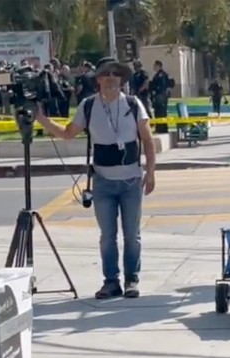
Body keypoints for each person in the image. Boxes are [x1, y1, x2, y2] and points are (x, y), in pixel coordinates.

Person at [34, 57, 158, 299]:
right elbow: (68, 133)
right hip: (103, 182)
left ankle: (132, 280)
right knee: (107, 237)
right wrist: (41, 119)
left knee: (132, 234)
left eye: (117, 74)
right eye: (107, 74)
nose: (112, 78)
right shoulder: (88, 106)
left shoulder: (133, 105)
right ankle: (111, 282)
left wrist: (151, 172)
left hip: (131, 181)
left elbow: (148, 140)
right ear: (98, 79)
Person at [149, 60, 174, 134]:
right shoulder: (158, 75)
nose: (154, 67)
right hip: (159, 96)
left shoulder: (162, 75)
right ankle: (160, 128)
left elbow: (163, 86)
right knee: (158, 112)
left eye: (155, 66)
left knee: (161, 112)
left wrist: (155, 89)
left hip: (161, 96)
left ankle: (162, 128)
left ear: (159, 66)